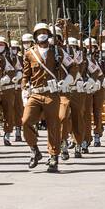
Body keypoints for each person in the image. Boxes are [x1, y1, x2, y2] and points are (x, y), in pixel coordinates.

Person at [21, 22, 67, 172]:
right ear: (35, 36)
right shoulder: (29, 53)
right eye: (39, 32)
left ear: (49, 34)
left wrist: (68, 80)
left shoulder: (58, 51)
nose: (42, 34)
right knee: (26, 121)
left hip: (51, 93)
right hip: (35, 93)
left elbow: (73, 66)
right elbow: (26, 74)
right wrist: (23, 89)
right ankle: (34, 150)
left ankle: (54, 156)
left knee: (53, 125)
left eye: (44, 32)